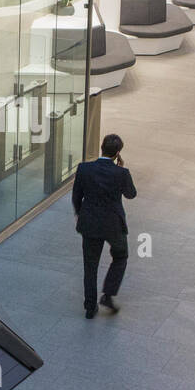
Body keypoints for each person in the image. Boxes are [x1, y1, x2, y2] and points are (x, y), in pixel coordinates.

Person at [72, 133, 137, 319]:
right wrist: (122, 170)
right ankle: (108, 294)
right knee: (121, 255)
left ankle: (90, 307)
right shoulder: (121, 173)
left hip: (90, 223)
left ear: (101, 147)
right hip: (113, 225)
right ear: (118, 153)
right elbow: (131, 194)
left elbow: (77, 196)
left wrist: (80, 214)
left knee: (90, 266)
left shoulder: (84, 169)